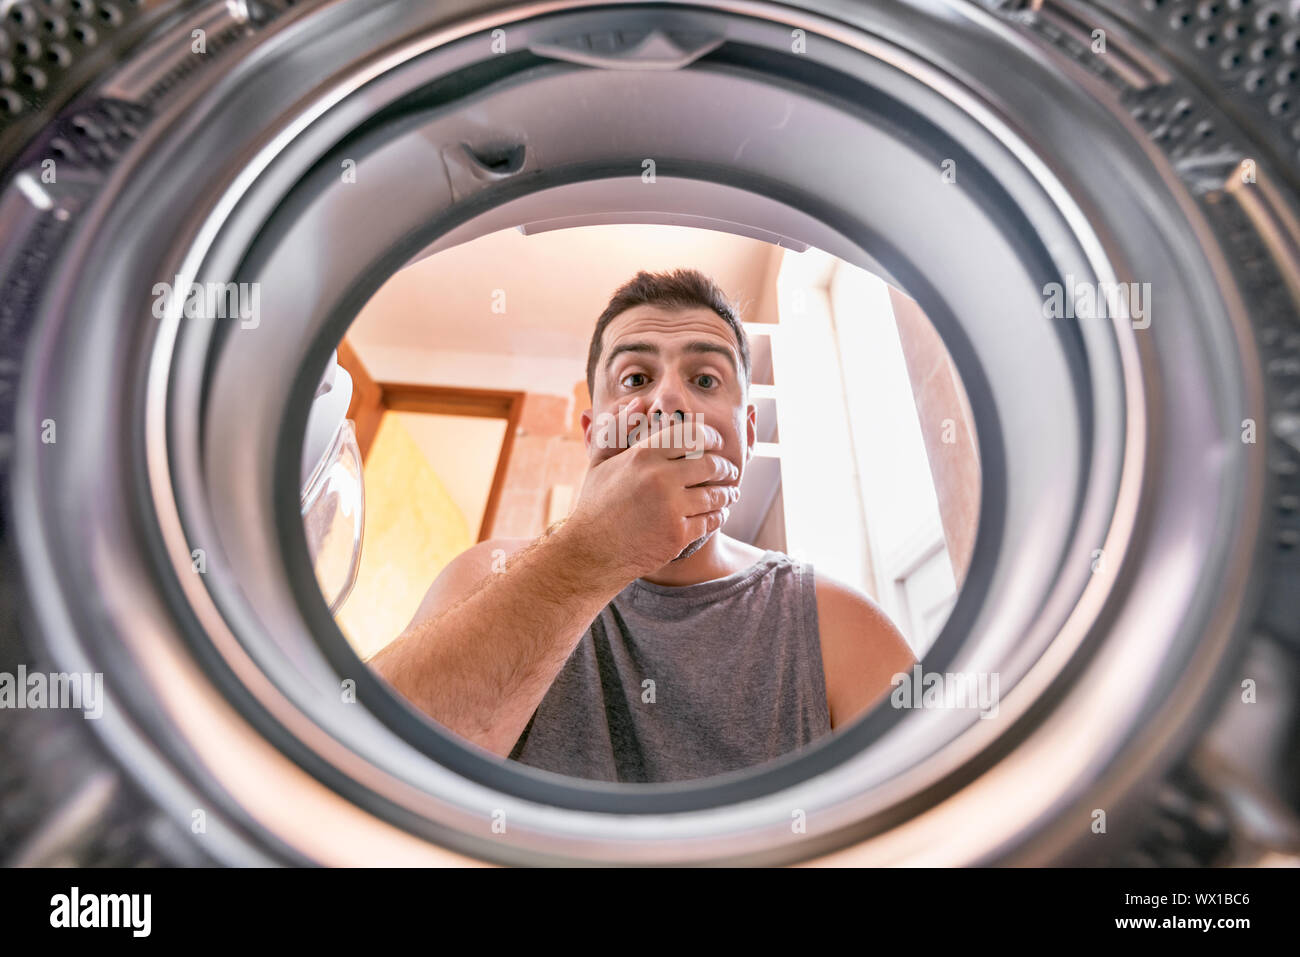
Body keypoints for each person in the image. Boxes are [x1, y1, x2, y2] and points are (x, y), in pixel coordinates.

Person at [367, 268, 916, 782]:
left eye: (705, 378)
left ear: (748, 432)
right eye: (634, 378)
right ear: (591, 433)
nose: (668, 401)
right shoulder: (486, 576)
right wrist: (590, 549)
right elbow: (376, 766)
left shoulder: (839, 629)